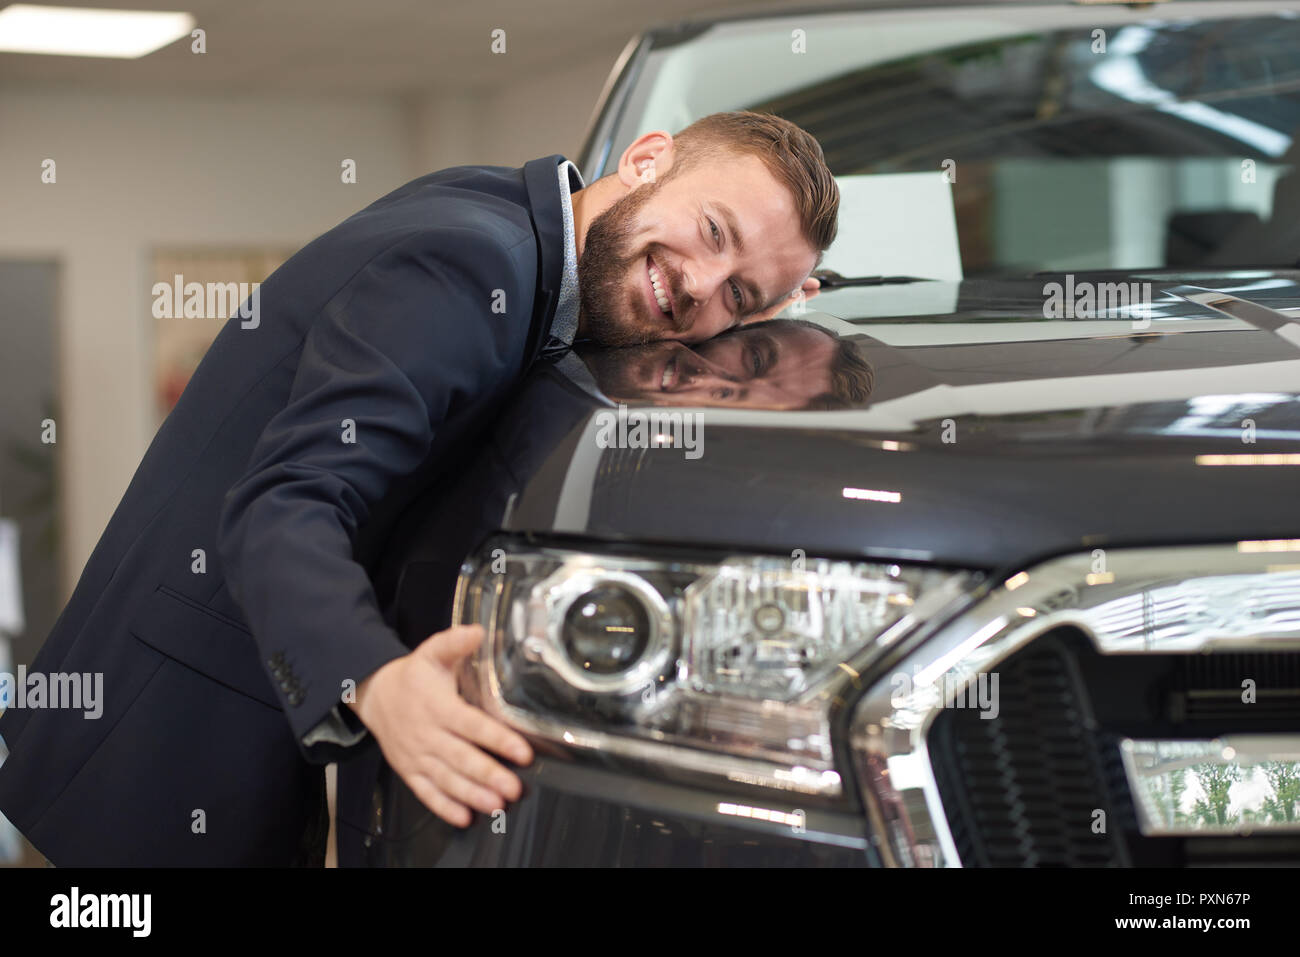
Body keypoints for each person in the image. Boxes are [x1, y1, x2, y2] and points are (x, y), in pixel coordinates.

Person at [0, 111, 840, 865]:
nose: (700, 285)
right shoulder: (470, 265)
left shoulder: (515, 220)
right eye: (713, 230)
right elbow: (283, 503)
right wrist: (376, 679)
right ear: (648, 158)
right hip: (170, 741)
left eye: (739, 295)